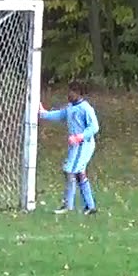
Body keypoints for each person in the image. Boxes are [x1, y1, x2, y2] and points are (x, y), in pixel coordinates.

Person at [39, 82, 100, 215]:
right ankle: (91, 206)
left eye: (71, 92)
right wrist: (43, 114)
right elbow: (60, 115)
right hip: (76, 146)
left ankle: (68, 205)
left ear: (78, 93)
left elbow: (94, 127)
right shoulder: (71, 107)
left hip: (83, 145)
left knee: (69, 170)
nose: (68, 94)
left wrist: (80, 137)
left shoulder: (86, 108)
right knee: (79, 173)